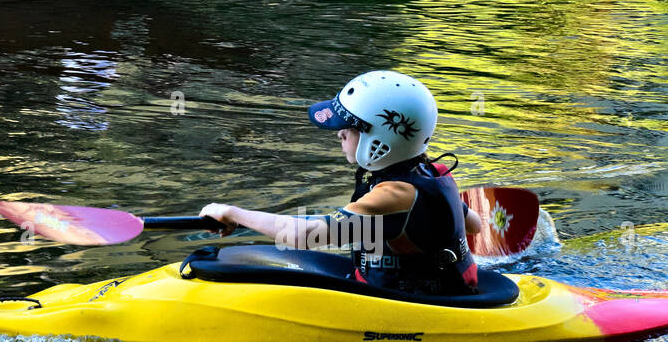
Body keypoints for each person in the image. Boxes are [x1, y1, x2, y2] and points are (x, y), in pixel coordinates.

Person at [200, 71, 484, 297]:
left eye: (347, 129)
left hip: (415, 303)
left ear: (381, 139)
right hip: (438, 285)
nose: (339, 135)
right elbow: (474, 225)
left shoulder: (394, 195)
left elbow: (304, 235)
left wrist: (233, 213)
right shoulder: (432, 172)